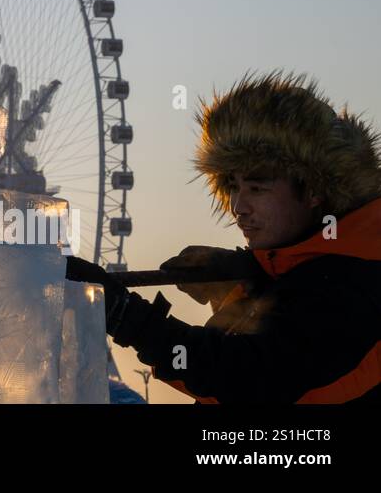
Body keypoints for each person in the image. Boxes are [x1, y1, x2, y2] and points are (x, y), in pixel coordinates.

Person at [69, 70, 381, 403]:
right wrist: (244, 280)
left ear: (315, 190)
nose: (238, 206)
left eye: (257, 188)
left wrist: (123, 314)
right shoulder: (311, 271)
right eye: (232, 186)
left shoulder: (359, 286)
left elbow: (242, 375)